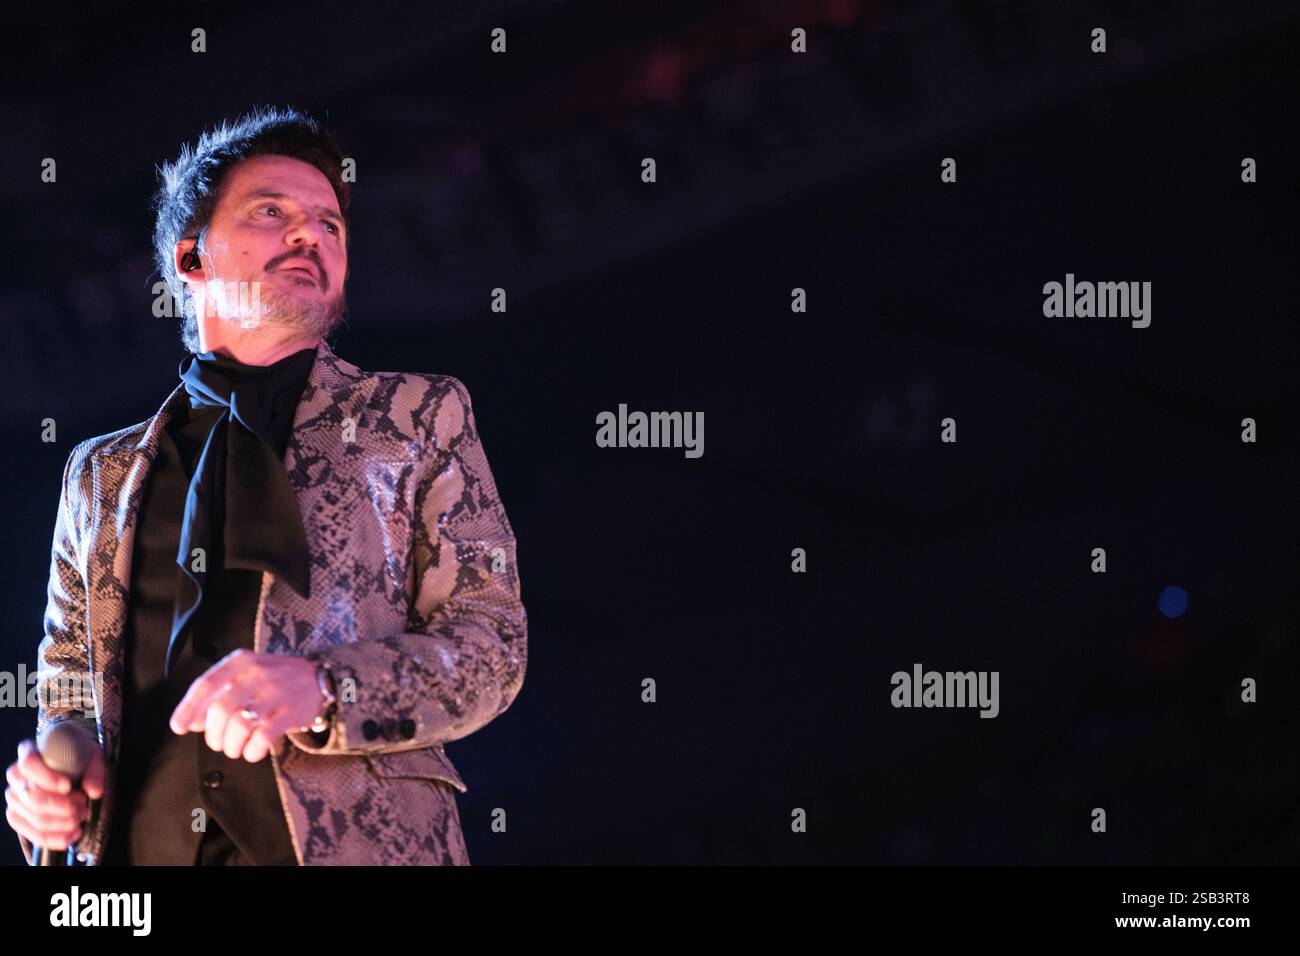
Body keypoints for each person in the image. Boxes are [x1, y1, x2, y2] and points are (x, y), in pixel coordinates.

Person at [3, 106, 527, 865]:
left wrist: (324, 687)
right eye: (272, 211)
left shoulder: (418, 415)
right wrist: (55, 766)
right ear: (191, 257)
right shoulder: (97, 472)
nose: (309, 233)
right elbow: (70, 685)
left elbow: (492, 649)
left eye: (330, 225)